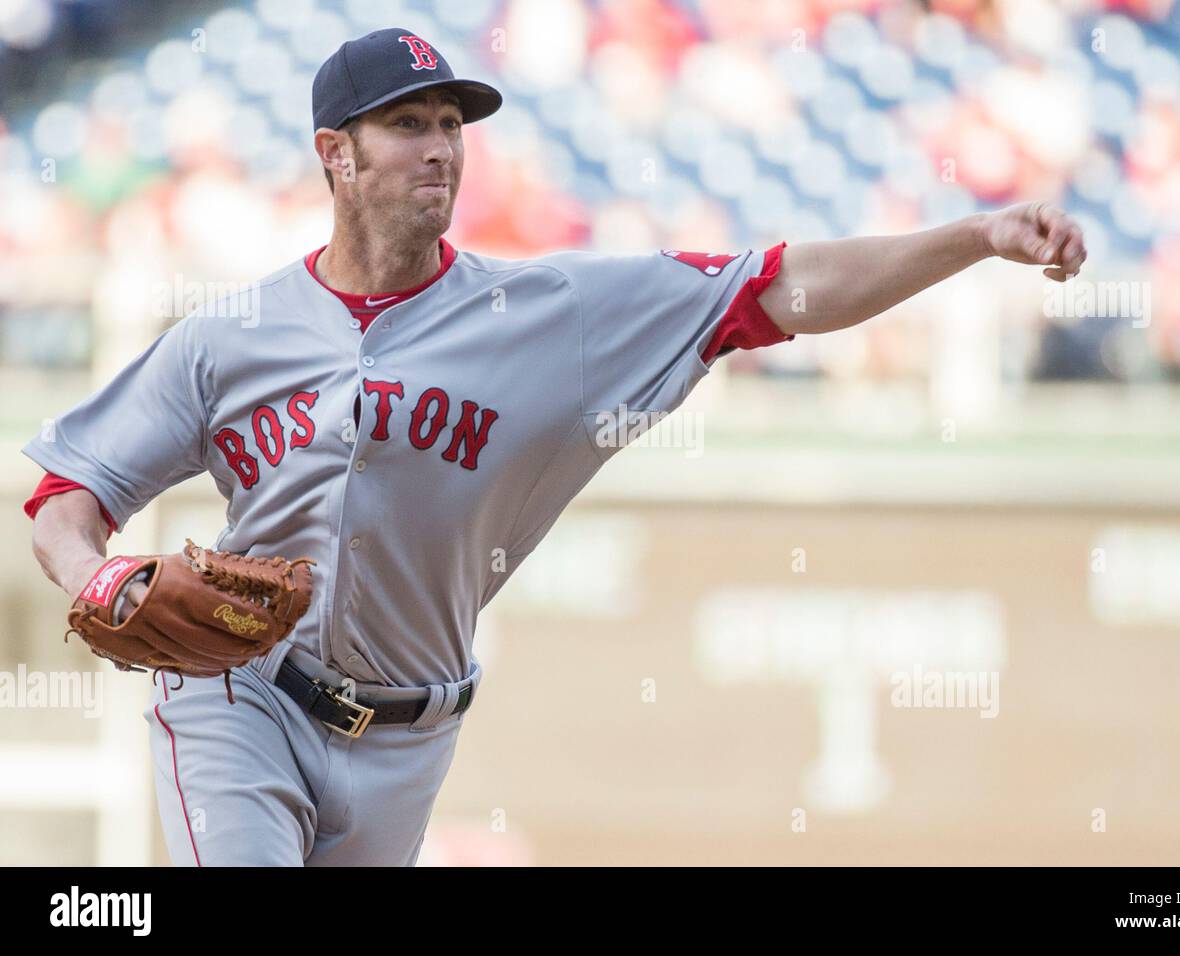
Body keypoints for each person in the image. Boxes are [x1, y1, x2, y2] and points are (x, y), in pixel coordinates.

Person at [24, 27, 1086, 866]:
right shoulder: (232, 334)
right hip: (240, 696)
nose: (440, 145)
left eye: (451, 122)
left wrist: (974, 238)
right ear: (335, 154)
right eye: (406, 123)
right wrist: (103, 572)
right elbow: (68, 491)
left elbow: (774, 289)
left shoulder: (552, 313)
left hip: (409, 733)